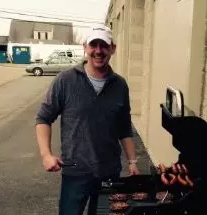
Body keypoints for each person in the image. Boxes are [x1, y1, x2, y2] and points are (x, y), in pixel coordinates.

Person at [35, 25, 139, 215]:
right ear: (85, 47)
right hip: (75, 172)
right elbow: (43, 118)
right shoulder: (65, 80)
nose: (98, 51)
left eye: (104, 46)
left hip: (109, 171)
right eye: (94, 45)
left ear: (113, 49)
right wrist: (46, 155)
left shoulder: (120, 85)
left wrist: (132, 161)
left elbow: (124, 127)